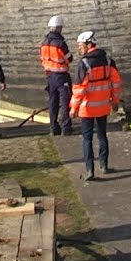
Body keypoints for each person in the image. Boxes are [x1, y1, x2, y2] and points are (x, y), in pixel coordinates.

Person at [70, 31, 121, 181]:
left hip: (87, 108)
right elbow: (116, 83)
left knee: (87, 139)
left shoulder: (84, 64)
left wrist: (73, 108)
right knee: (102, 136)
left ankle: (90, 170)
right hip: (103, 106)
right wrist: (115, 101)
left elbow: (79, 89)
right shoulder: (108, 61)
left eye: (80, 45)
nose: (79, 49)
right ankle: (104, 166)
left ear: (88, 44)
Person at [41, 15, 73, 136]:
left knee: (52, 102)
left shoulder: (44, 42)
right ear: (59, 28)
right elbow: (69, 58)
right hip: (61, 75)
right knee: (65, 101)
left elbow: (42, 59)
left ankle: (53, 127)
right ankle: (66, 127)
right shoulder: (60, 43)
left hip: (49, 76)